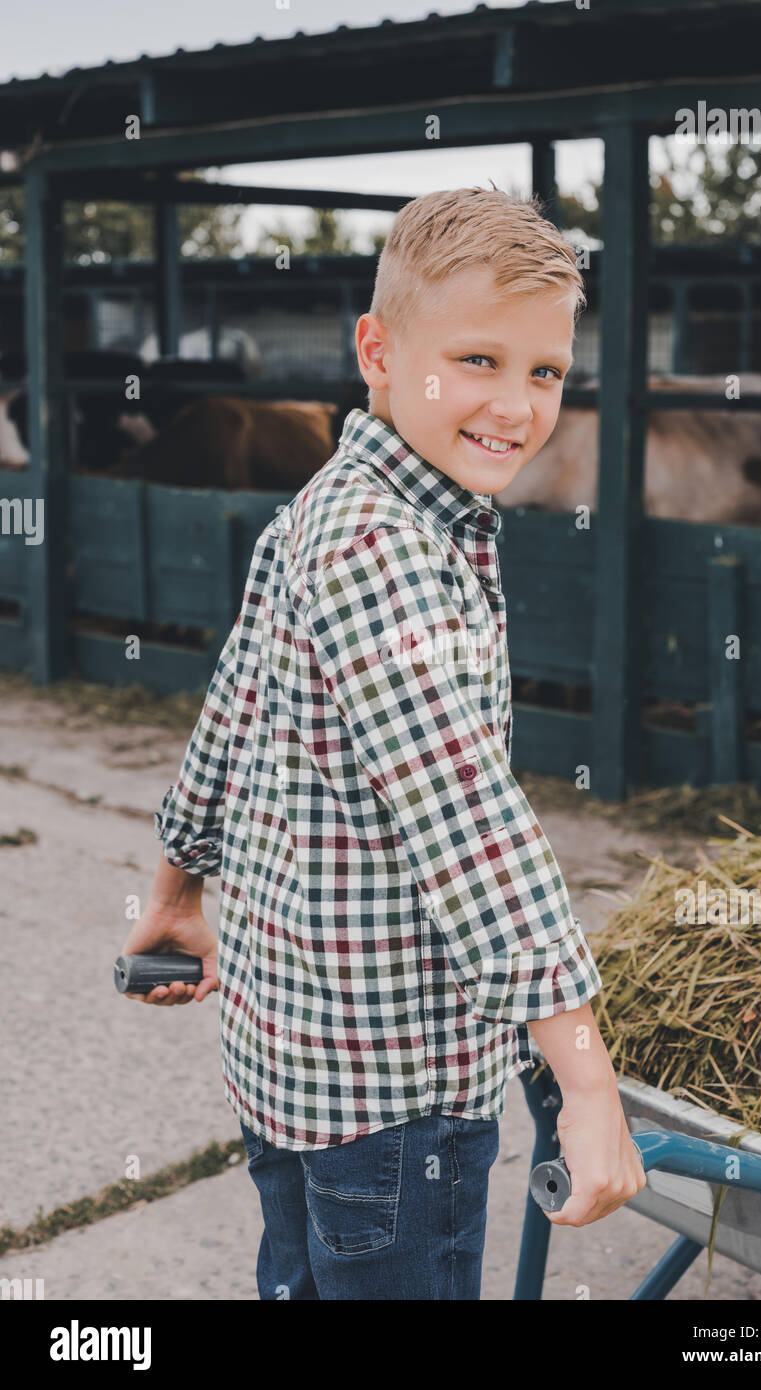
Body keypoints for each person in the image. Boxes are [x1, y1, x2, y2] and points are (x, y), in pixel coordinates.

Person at [122, 186, 646, 1300]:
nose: (515, 406)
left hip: (288, 1074)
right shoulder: (395, 554)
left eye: (544, 372)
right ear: (376, 349)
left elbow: (230, 711)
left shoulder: (325, 504)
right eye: (476, 360)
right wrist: (589, 1084)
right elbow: (472, 825)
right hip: (396, 1106)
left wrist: (174, 890)